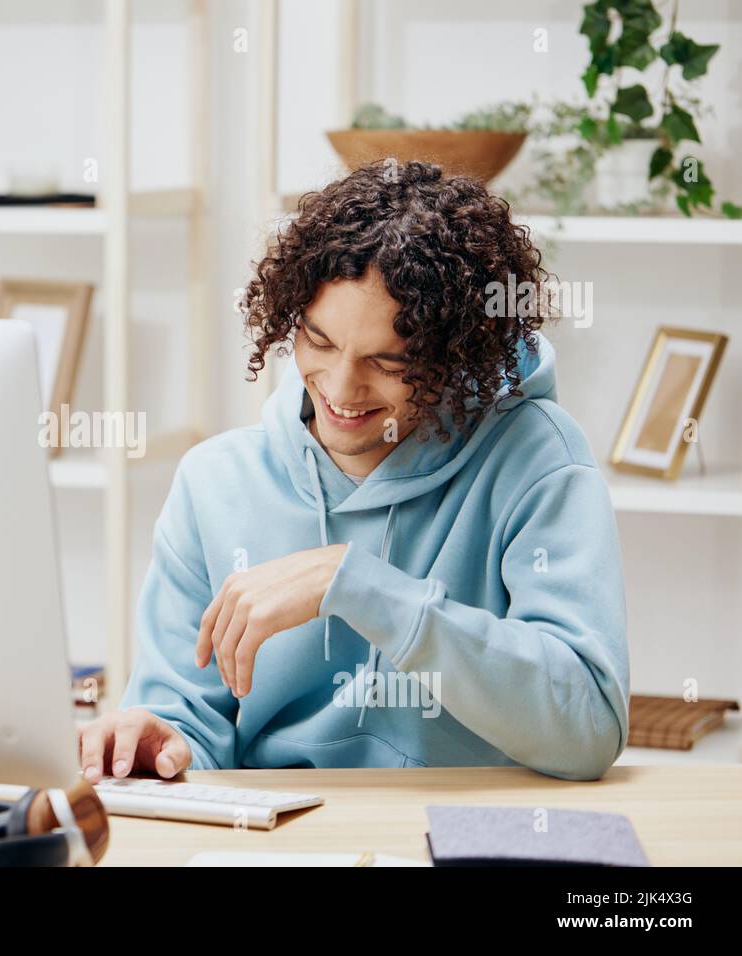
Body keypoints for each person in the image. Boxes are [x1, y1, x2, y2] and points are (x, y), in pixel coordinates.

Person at [79, 160, 629, 783]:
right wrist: (161, 740)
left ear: (457, 352)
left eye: (389, 362)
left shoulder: (536, 459)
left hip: (462, 836)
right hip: (280, 842)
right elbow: (190, 724)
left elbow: (589, 728)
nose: (341, 388)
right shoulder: (215, 482)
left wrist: (360, 587)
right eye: (319, 341)